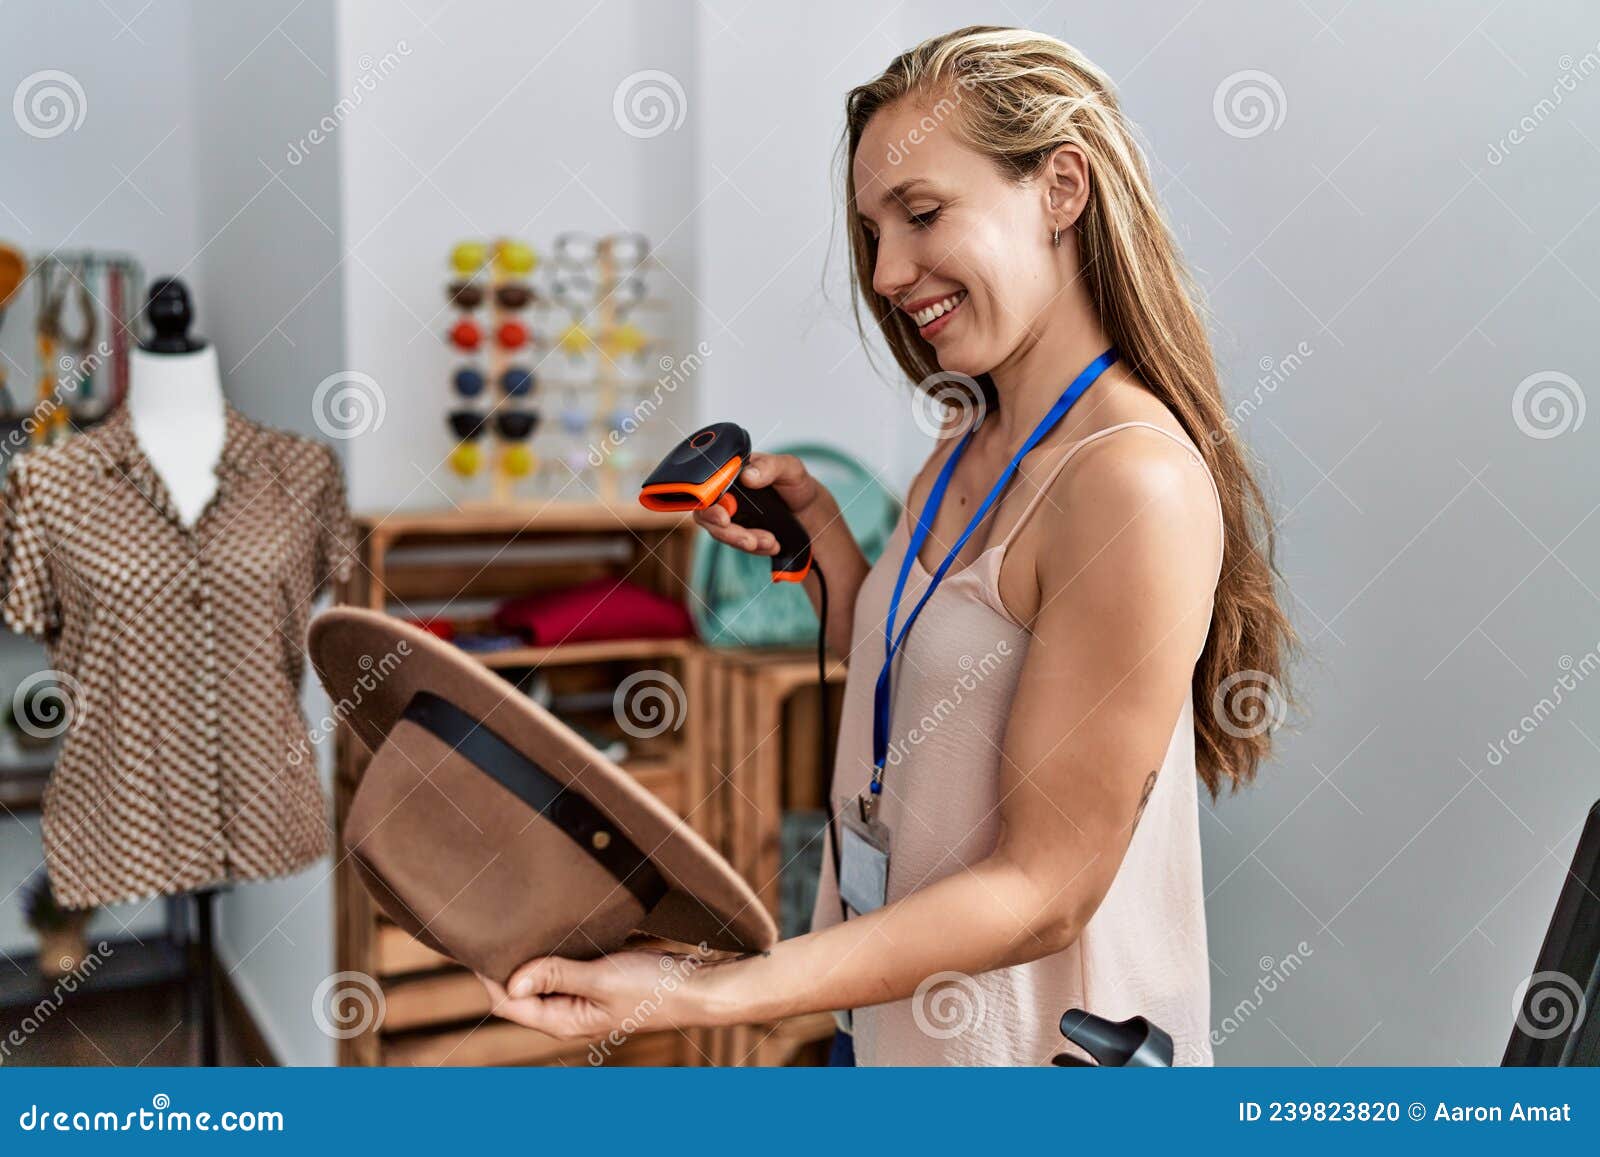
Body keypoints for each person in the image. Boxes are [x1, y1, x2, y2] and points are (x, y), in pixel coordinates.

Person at [481, 25, 1295, 1066]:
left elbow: (1043, 890)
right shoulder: (969, 435)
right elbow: (937, 680)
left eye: (921, 214)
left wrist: (713, 992)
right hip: (889, 1025)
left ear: (1060, 189)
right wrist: (824, 543)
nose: (887, 268)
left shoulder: (1126, 483)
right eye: (871, 228)